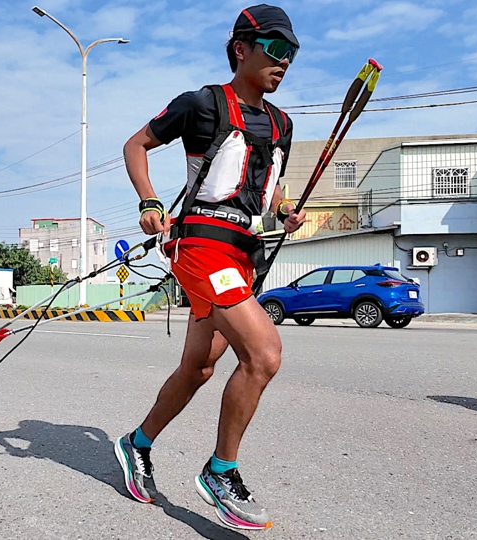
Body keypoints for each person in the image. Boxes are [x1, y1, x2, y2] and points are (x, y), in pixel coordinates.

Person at [115, 5, 307, 530]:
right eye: (274, 48)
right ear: (241, 48)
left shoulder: (282, 123)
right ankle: (222, 470)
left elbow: (264, 191)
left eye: (291, 53)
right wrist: (149, 202)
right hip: (200, 248)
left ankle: (137, 443)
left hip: (244, 254)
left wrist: (284, 213)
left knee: (199, 367)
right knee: (264, 354)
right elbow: (136, 145)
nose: (284, 61)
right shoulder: (202, 104)